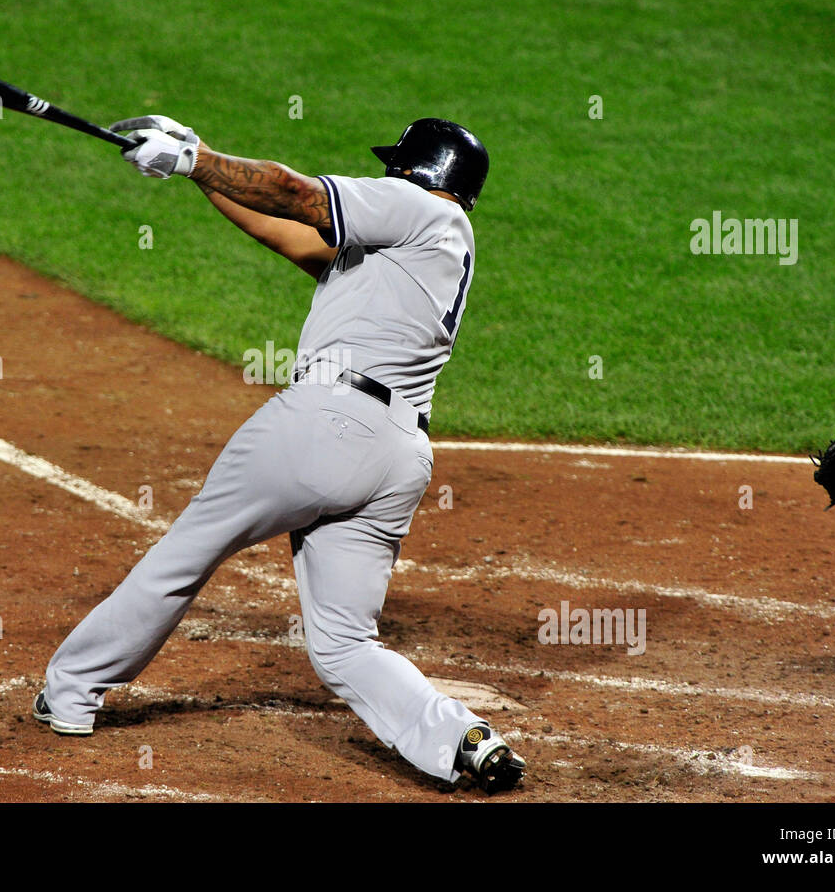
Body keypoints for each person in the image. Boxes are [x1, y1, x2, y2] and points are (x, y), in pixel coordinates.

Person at [34, 115, 526, 793]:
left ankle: (72, 690)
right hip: (397, 457)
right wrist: (195, 172)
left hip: (325, 424)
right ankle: (463, 739)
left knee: (189, 549)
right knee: (346, 646)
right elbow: (287, 231)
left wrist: (198, 157)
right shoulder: (424, 248)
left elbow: (296, 194)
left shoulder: (414, 206)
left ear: (416, 171)